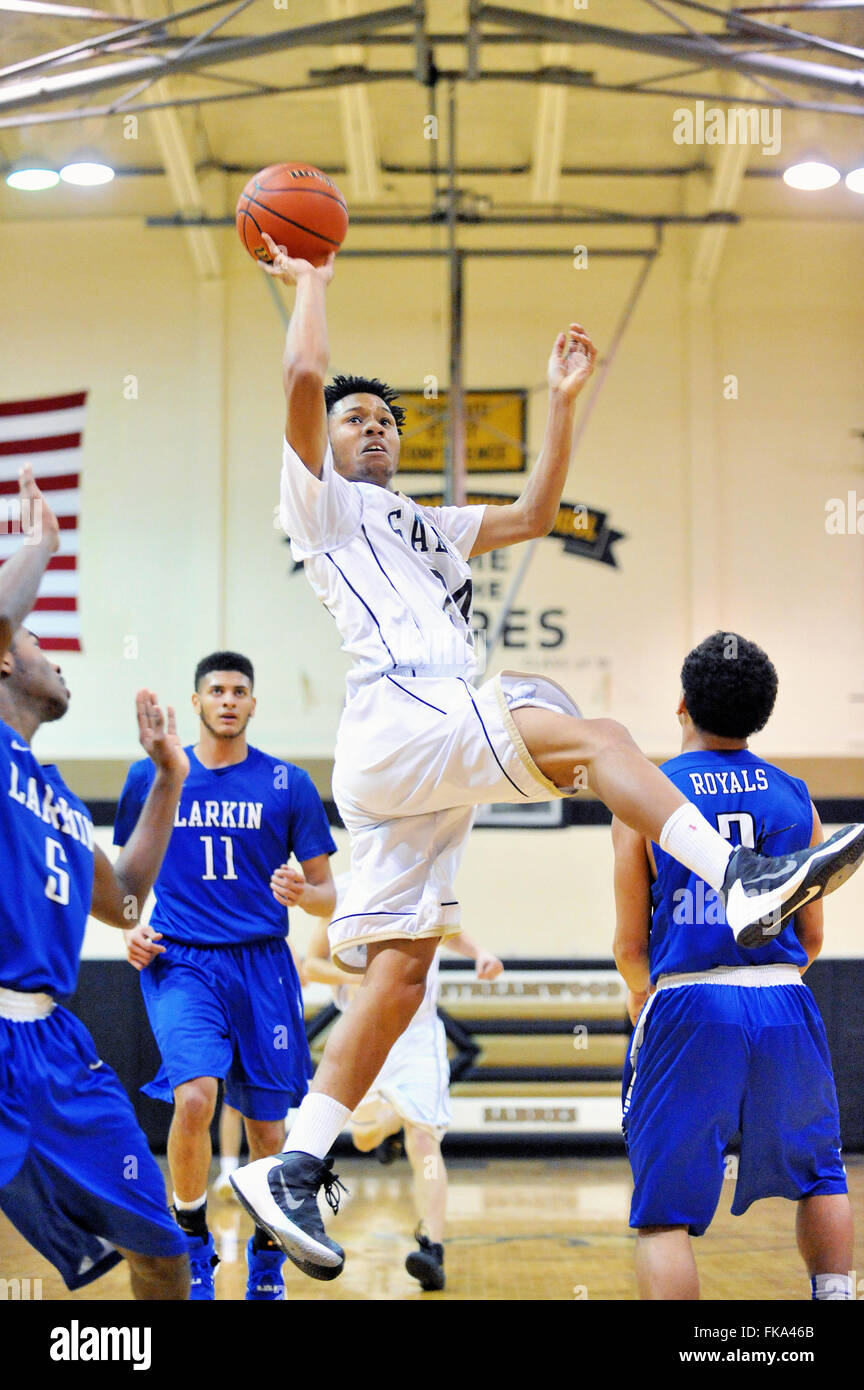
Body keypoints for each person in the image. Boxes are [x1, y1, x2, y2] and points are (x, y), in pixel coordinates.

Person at [230, 236, 864, 1281]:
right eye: (356, 420)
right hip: (402, 720)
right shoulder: (320, 505)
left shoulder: (424, 523)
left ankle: (295, 1161)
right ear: (326, 447)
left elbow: (533, 513)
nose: (374, 427)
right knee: (600, 734)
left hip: (411, 766)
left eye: (386, 418)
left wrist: (563, 396)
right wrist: (310, 279)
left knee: (398, 971)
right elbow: (302, 375)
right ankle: (743, 878)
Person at [612, 631, 854, 1301]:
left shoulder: (647, 792)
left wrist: (642, 998)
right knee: (822, 1174)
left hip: (688, 1001)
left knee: (664, 1216)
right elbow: (812, 936)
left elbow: (630, 945)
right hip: (782, 997)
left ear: (682, 704)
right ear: (762, 711)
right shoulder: (794, 795)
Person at [0, 466, 190, 1300]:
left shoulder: (58, 797)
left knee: (161, 1248)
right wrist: (38, 551)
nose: (59, 660)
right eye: (42, 644)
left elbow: (127, 902)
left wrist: (170, 778)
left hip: (53, 1047)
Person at [116, 651, 337, 1299]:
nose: (229, 700)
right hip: (182, 958)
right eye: (217, 690)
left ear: (253, 703)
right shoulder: (152, 775)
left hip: (263, 964)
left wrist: (306, 890)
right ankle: (193, 1247)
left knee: (269, 1132)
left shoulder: (287, 784)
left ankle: (267, 1268)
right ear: (197, 702)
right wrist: (128, 926)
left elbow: (328, 891)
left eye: (240, 691)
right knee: (194, 1099)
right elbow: (127, 870)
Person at [282, 868, 502, 1292]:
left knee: (425, 1141)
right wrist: (370, 983)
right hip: (362, 1027)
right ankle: (390, 1127)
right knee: (363, 1138)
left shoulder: (427, 883)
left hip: (416, 1035)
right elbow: (313, 963)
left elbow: (449, 932)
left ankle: (432, 1248)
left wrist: (479, 953)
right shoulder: (344, 890)